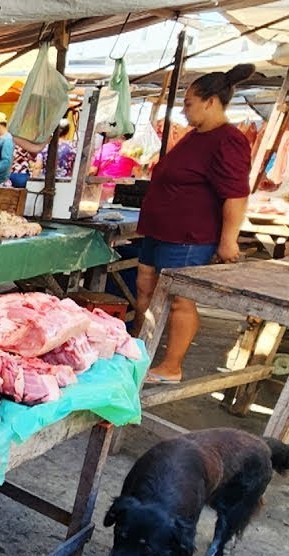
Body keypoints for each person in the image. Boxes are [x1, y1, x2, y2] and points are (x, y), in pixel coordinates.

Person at [135, 63, 254, 384]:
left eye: (189, 103)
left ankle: (171, 367)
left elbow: (236, 194)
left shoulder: (228, 140)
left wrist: (228, 240)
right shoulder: (195, 136)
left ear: (210, 102)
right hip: (159, 230)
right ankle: (138, 353)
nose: (184, 110)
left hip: (189, 236)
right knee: (145, 289)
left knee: (180, 301)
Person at [90, 128, 140, 197]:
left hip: (101, 190)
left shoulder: (105, 148)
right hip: (121, 193)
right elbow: (138, 174)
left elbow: (93, 171)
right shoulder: (132, 152)